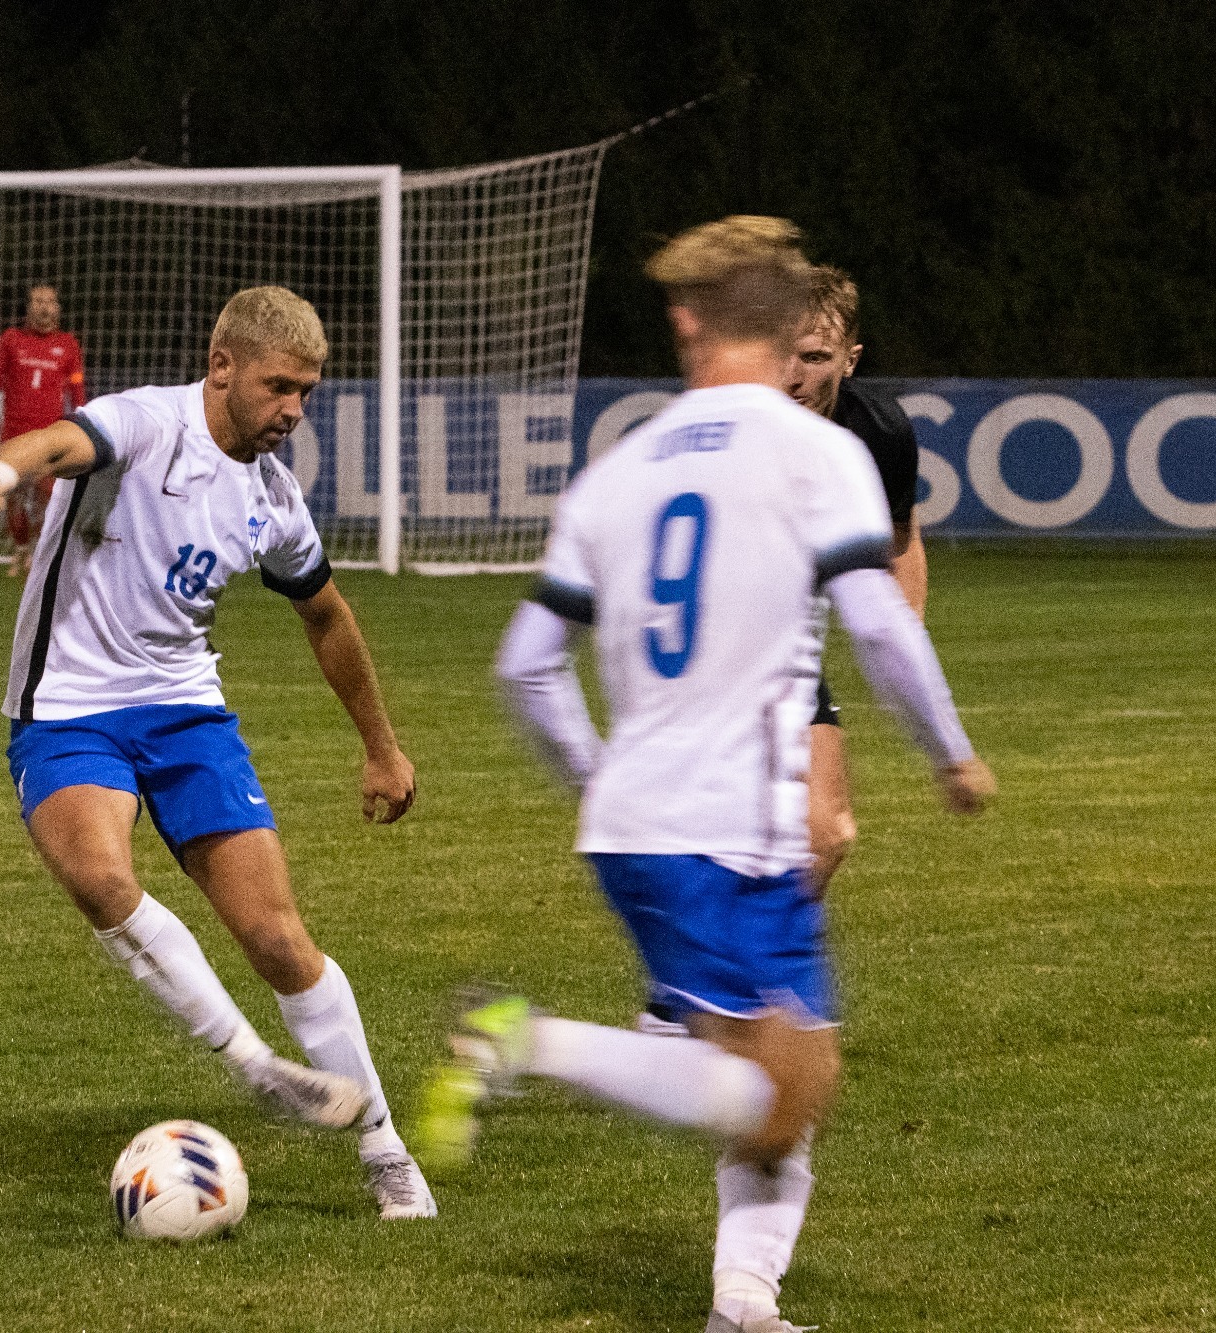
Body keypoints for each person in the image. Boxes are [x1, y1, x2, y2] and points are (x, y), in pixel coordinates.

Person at [413, 218, 994, 1331]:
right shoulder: (813, 452)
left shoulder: (615, 473)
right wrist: (949, 751)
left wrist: (595, 772)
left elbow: (526, 665)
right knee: (777, 1089)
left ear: (685, 324)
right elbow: (877, 626)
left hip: (635, 821)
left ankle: (742, 1301)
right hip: (735, 826)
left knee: (778, 1080)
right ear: (789, 338)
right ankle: (516, 1036)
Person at [0, 285, 437, 1220]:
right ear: (223, 368)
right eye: (279, 386)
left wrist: (382, 747)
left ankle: (386, 1149)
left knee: (279, 937)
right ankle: (256, 1067)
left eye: (307, 394)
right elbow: (49, 444)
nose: (292, 410)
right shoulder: (147, 425)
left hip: (186, 715)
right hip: (69, 710)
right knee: (99, 878)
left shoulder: (273, 499)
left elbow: (326, 616)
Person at [783, 265, 926, 891]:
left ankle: (749, 976)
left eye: (815, 357)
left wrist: (905, 643)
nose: (794, 376)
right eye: (782, 353)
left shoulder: (880, 433)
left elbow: (900, 540)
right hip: (705, 653)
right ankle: (741, 975)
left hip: (787, 649)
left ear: (850, 359)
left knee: (828, 832)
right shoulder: (733, 425)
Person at [0, 283, 85, 577]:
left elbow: (77, 388)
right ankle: (20, 549)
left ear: (58, 309)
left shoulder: (68, 345)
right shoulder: (12, 340)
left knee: (49, 497)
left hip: (50, 436)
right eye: (37, 301)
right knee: (14, 496)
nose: (43, 306)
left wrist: (82, 418)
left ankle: (40, 550)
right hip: (14, 433)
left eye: (50, 301)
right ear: (29, 307)